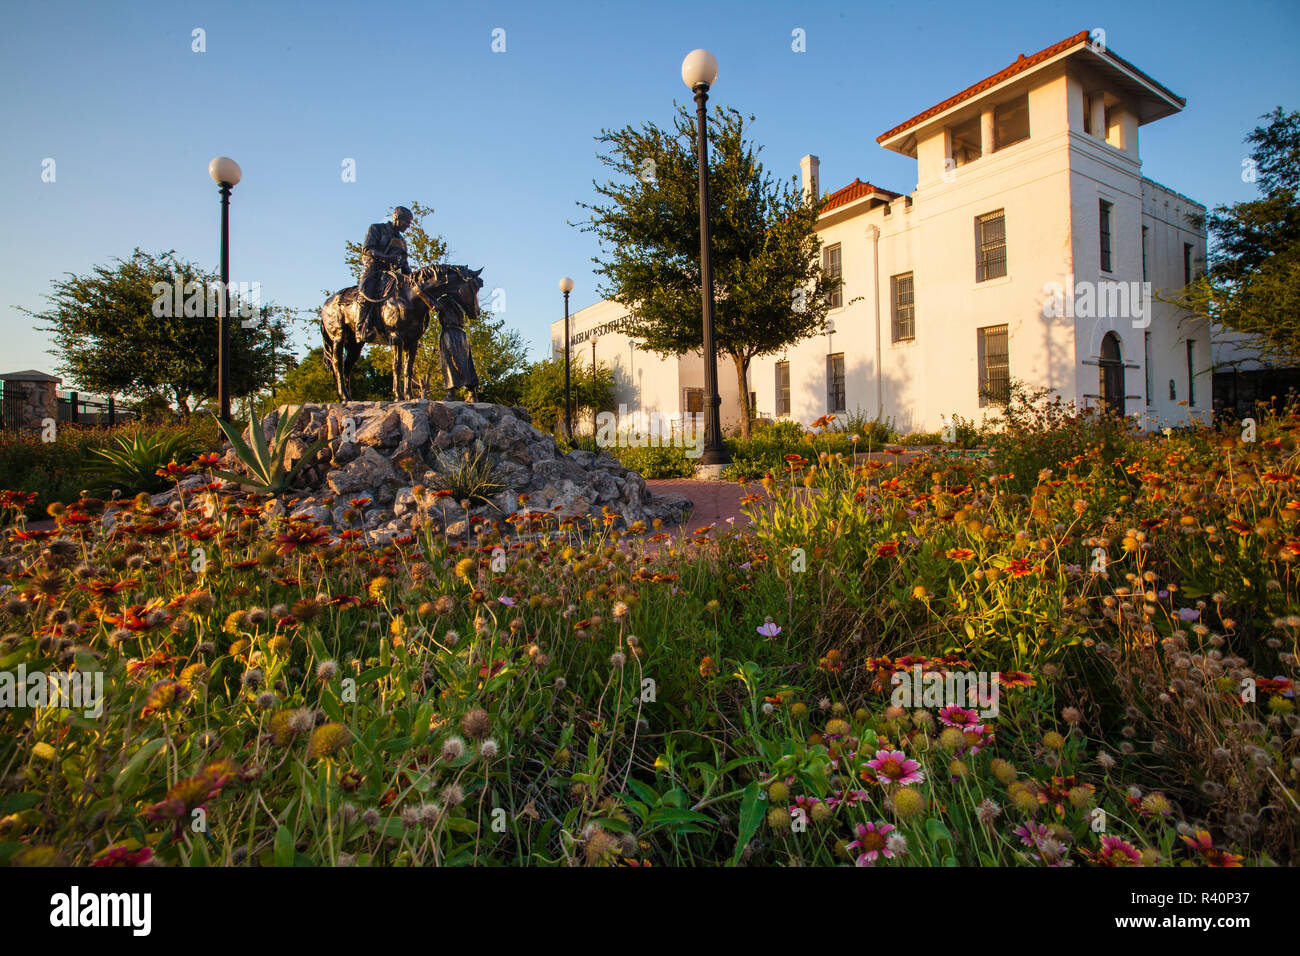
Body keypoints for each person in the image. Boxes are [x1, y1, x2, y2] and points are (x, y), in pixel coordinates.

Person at [356, 206, 413, 342]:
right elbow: (368, 249)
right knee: (365, 294)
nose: (408, 226)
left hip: (390, 274)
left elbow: (405, 264)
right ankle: (361, 328)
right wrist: (387, 258)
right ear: (397, 218)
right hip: (372, 269)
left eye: (409, 224)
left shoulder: (402, 241)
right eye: (407, 222)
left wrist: (414, 279)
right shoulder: (377, 229)